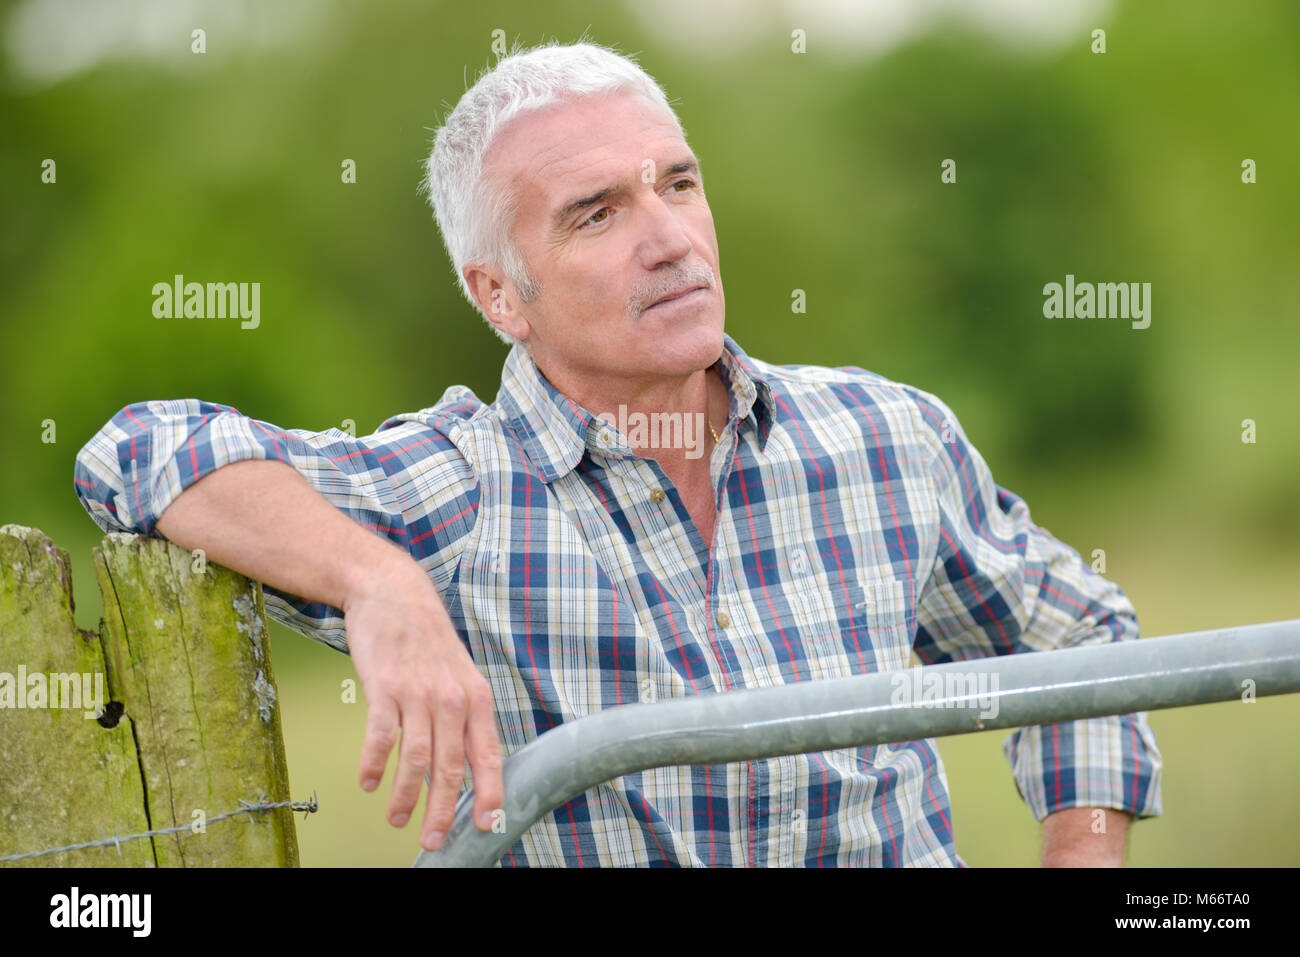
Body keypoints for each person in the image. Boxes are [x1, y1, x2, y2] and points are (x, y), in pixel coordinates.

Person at [74, 39, 1162, 867]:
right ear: (499, 294)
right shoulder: (462, 484)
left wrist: (1079, 854)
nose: (670, 238)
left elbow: (1076, 633)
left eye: (677, 184)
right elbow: (136, 450)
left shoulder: (883, 436)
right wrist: (377, 579)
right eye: (596, 215)